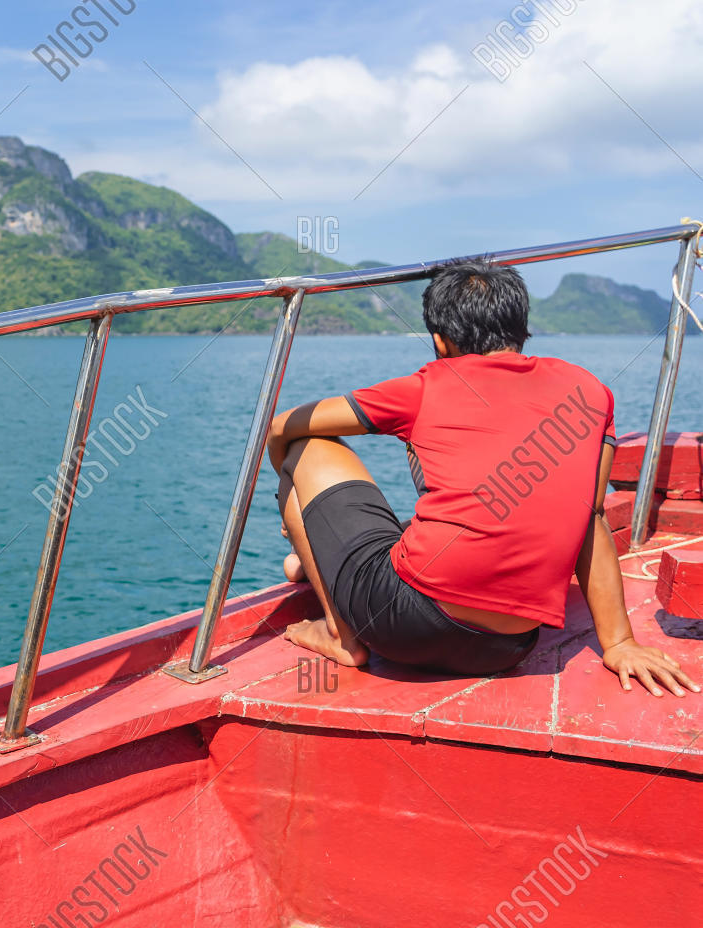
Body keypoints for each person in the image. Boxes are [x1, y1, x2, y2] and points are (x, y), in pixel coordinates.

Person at [269, 259, 697, 698]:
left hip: (402, 627)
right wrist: (620, 643)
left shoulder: (426, 386)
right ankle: (312, 557)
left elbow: (283, 425)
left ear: (441, 340)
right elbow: (591, 516)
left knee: (308, 449)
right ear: (520, 326)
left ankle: (340, 635)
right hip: (508, 647)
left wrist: (291, 497)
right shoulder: (590, 391)